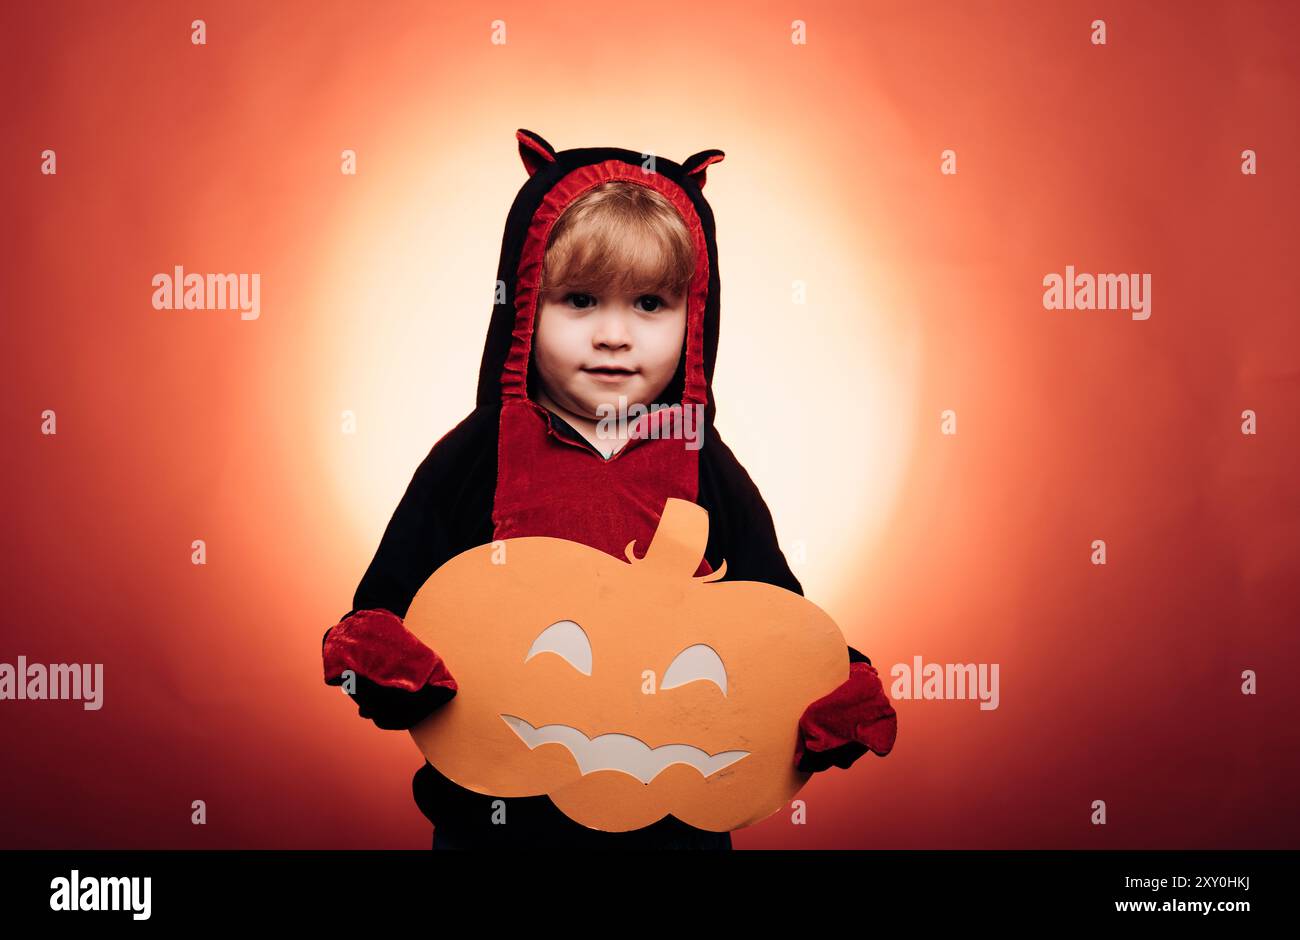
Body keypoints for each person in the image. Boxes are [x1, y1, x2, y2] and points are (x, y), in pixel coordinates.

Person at [322, 129, 898, 849]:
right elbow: (387, 600)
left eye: (651, 304)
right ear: (526, 304)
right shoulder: (479, 455)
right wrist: (378, 658)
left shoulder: (703, 464)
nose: (615, 335)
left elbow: (777, 612)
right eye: (582, 300)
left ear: (695, 319)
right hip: (496, 815)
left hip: (673, 815)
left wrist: (839, 687)